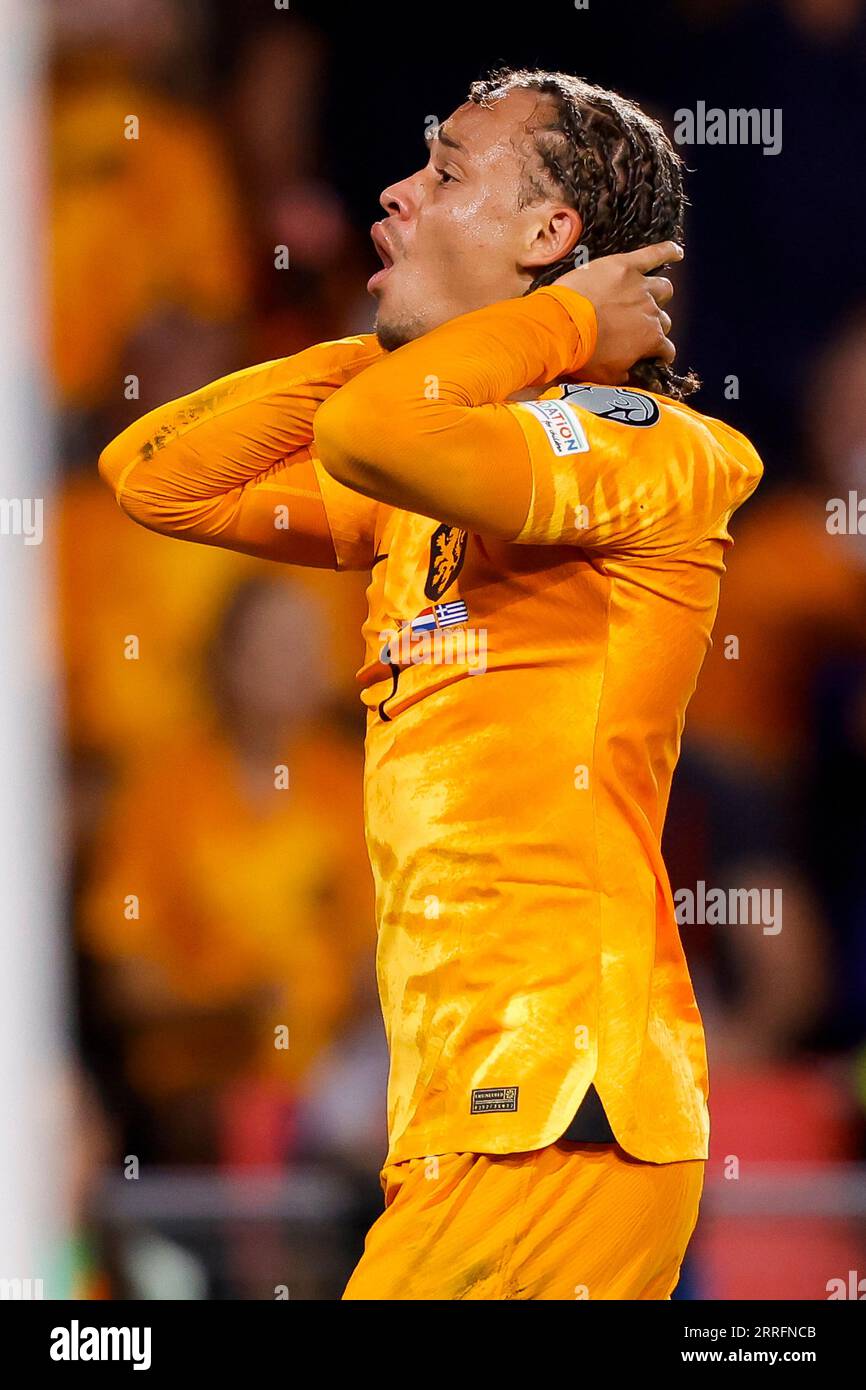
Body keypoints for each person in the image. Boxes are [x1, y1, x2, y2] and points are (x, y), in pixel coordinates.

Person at [98, 68, 763, 1299]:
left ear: (549, 236)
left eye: (448, 173)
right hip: (461, 1120)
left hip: (561, 1108)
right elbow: (157, 471)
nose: (396, 195)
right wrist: (419, 339)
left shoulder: (651, 449)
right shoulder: (421, 476)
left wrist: (552, 332)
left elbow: (369, 436)